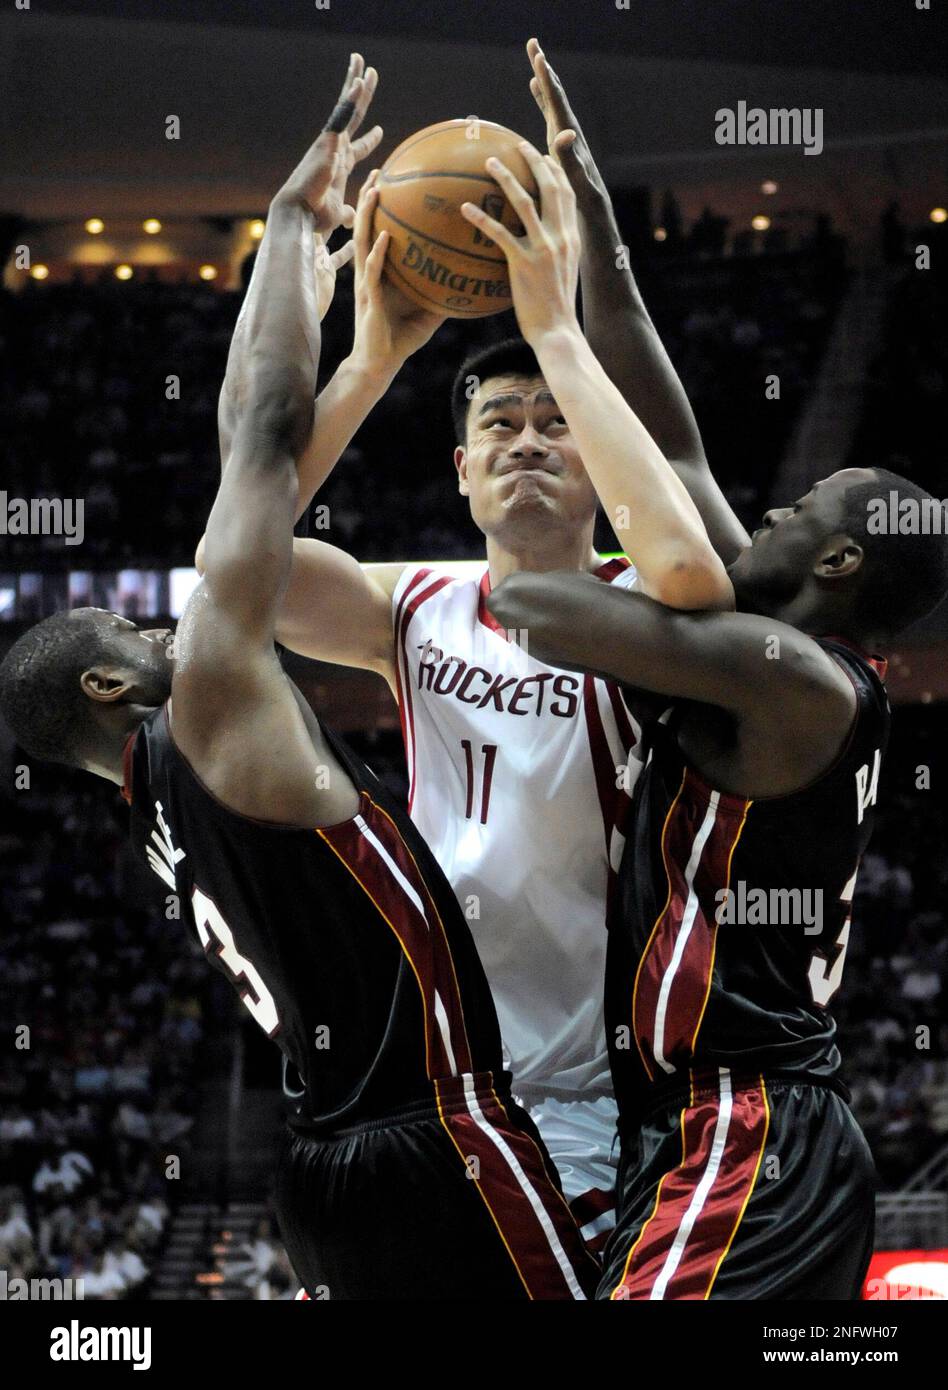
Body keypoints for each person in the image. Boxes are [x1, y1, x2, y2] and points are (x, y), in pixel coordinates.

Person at [0, 56, 598, 1302]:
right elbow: (256, 449)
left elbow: (249, 513)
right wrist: (288, 240)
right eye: (136, 632)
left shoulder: (159, 816)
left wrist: (369, 347)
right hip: (436, 1130)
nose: (167, 630)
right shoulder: (210, 712)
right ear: (112, 692)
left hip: (326, 1162)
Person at [235, 38, 736, 1246]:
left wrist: (561, 334)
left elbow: (692, 570)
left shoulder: (646, 609)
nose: (525, 439)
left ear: (599, 455)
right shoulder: (414, 603)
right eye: (499, 423)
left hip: (599, 1094)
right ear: (459, 474)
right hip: (437, 1087)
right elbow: (235, 571)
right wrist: (367, 363)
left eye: (555, 426)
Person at [487, 462, 948, 1299]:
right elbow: (684, 458)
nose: (771, 509)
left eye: (801, 508)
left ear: (837, 562)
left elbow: (529, 608)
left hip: (745, 1130)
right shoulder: (787, 670)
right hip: (735, 1128)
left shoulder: (793, 682)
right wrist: (570, 327)